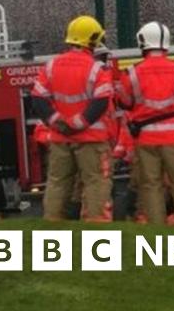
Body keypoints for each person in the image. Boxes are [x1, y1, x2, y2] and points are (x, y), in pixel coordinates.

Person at [30, 16, 115, 222]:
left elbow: (38, 98)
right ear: (93, 40)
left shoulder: (51, 66)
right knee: (95, 185)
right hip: (91, 141)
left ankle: (52, 236)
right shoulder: (96, 69)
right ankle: (97, 242)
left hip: (61, 139)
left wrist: (58, 121)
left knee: (57, 184)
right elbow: (101, 101)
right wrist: (79, 123)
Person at [116, 21, 174, 228]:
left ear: (142, 42)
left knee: (151, 187)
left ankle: (157, 237)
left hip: (145, 141)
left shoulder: (132, 73)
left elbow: (124, 102)